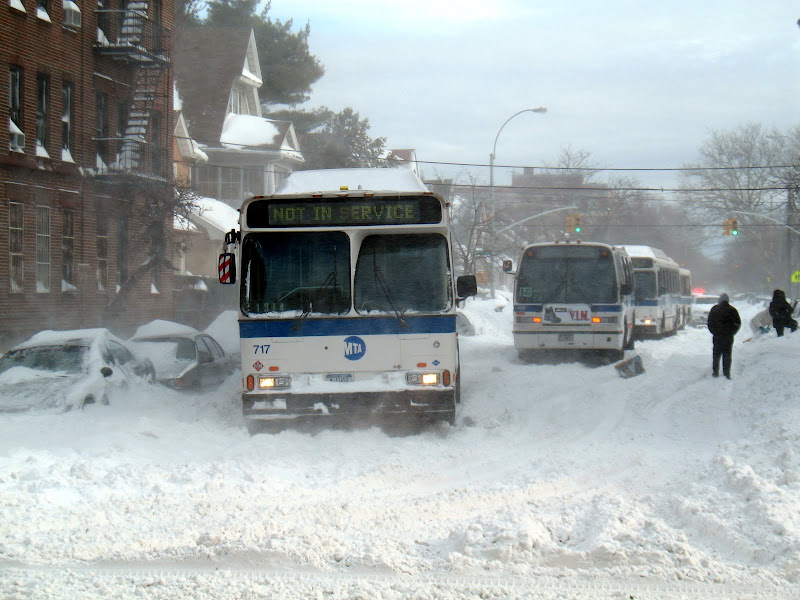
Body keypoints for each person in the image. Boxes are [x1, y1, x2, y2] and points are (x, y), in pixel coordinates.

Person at [706, 293, 741, 380]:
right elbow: (738, 323)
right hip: (728, 337)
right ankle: (726, 373)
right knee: (727, 354)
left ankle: (715, 372)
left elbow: (710, 323)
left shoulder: (714, 309)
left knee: (716, 355)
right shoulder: (733, 310)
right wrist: (732, 332)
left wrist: (714, 332)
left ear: (720, 300)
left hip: (717, 336)